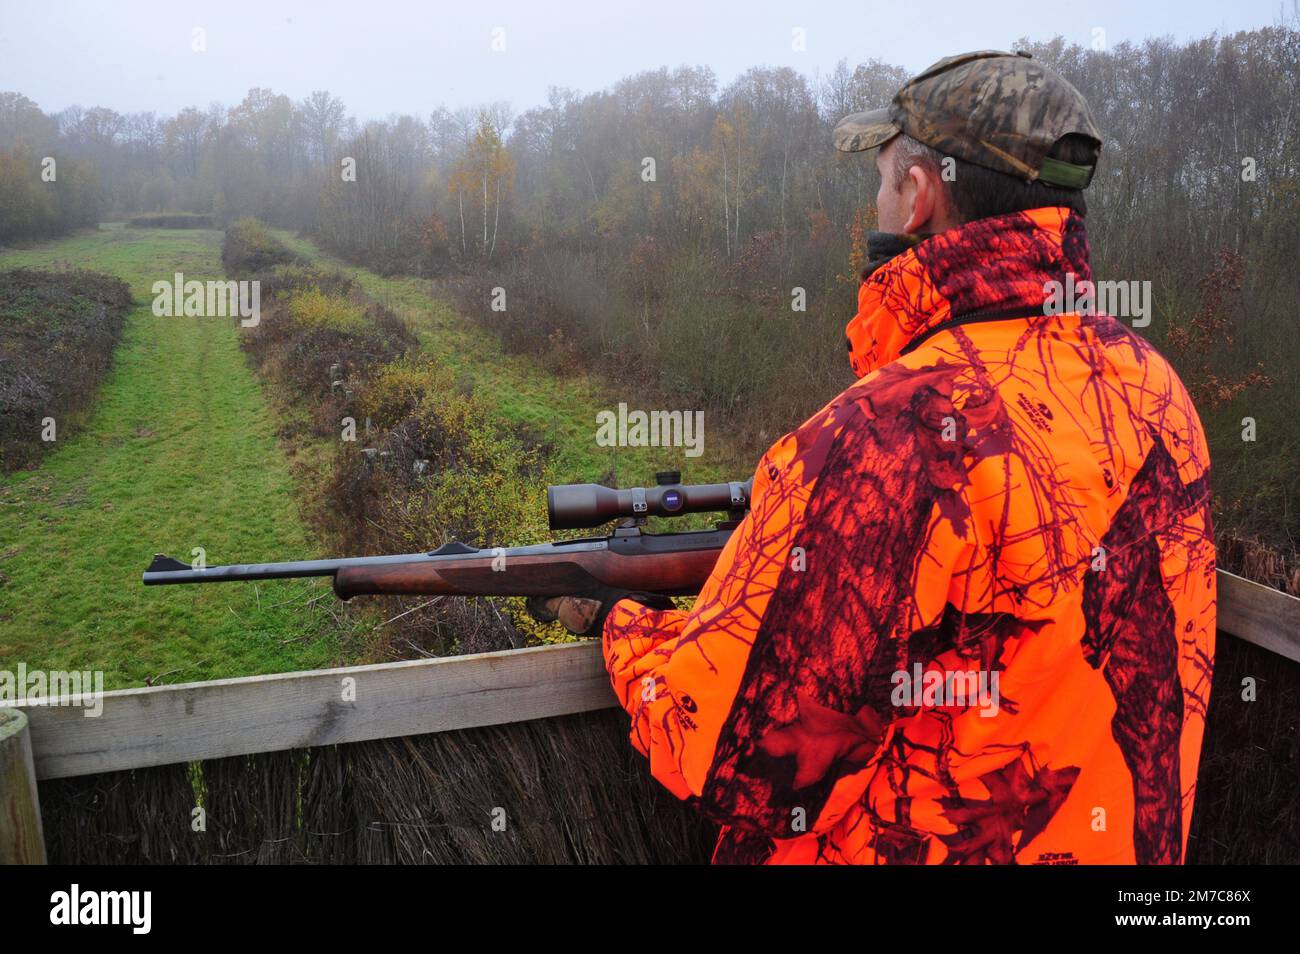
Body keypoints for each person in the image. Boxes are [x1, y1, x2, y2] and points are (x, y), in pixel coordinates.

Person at [529, 50, 1216, 865]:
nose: (877, 202)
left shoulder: (889, 430)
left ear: (919, 196)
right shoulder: (1155, 391)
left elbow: (738, 758)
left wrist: (618, 623)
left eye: (885, 179)